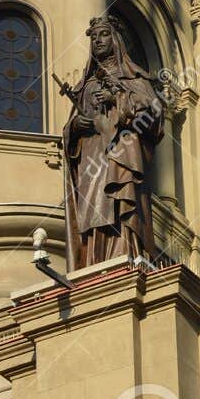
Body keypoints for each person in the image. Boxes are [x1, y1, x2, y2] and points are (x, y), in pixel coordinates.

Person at [62, 14, 163, 270]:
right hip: (90, 159)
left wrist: (118, 99)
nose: (97, 40)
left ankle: (122, 257)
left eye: (103, 34)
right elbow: (69, 129)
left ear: (116, 39)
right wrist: (75, 127)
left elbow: (153, 115)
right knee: (94, 210)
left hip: (120, 154)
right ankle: (94, 262)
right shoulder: (86, 85)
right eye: (93, 37)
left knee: (119, 204)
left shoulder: (134, 79)